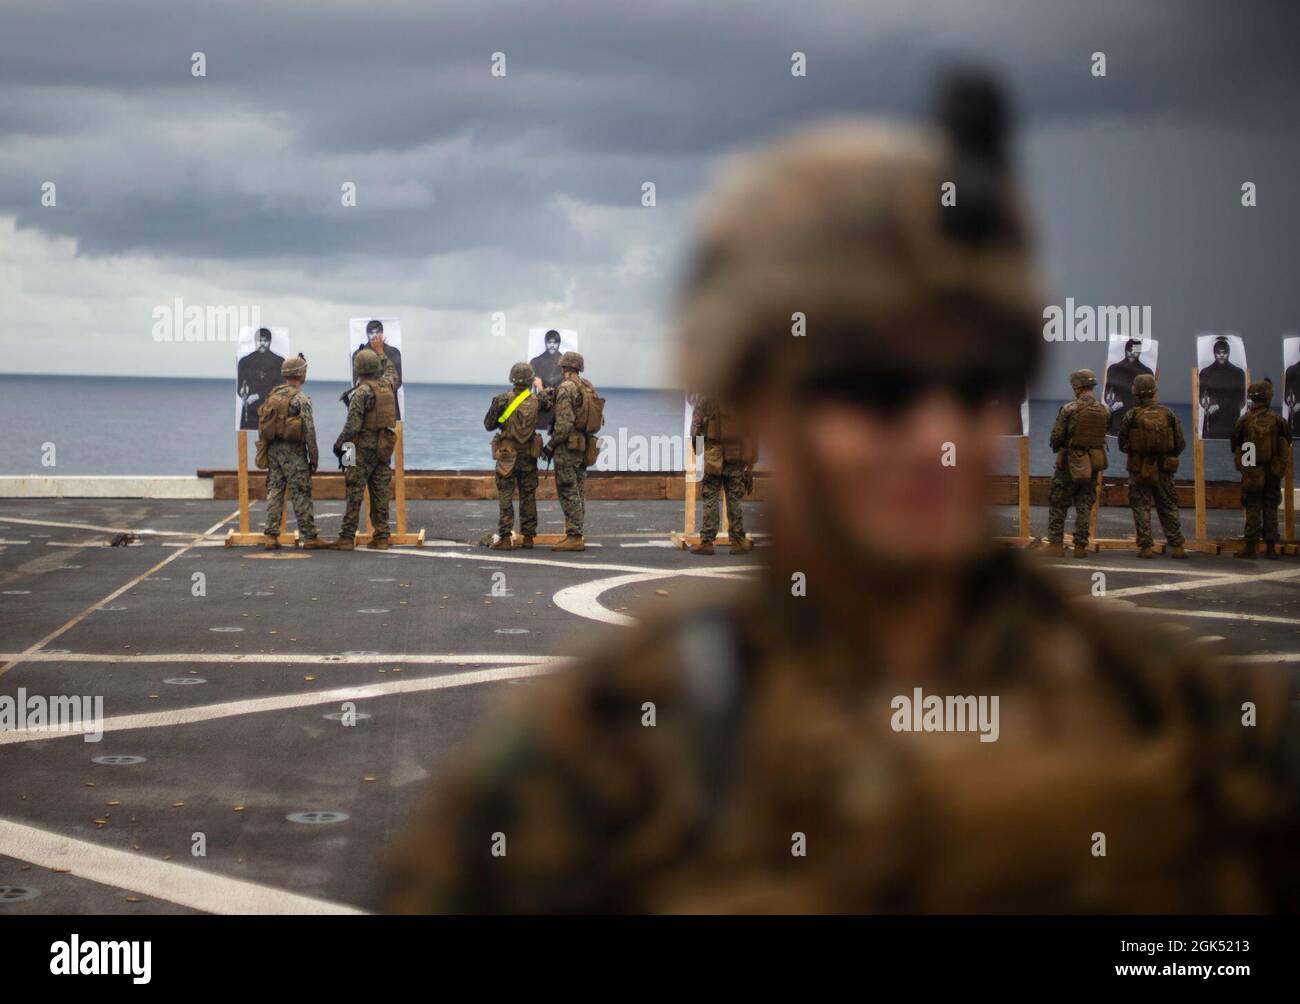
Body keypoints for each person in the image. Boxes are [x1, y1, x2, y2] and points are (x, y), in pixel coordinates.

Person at [385, 71, 1298, 914]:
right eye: (875, 387)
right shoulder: (592, 771)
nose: (938, 431)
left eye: (981, 378)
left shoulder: (1199, 747)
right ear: (755, 395)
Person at [257, 354, 328, 550]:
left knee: (275, 492)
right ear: (301, 374)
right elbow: (309, 431)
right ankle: (310, 537)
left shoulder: (273, 395)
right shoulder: (301, 399)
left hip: (273, 451)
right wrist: (314, 458)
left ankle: (271, 536)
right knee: (301, 493)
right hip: (294, 453)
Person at [333, 347, 398, 550]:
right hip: (383, 447)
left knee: (354, 492)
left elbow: (352, 427)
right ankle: (381, 537)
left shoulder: (360, 393)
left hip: (358, 448)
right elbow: (392, 372)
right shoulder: (386, 385)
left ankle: (346, 537)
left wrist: (338, 446)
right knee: (380, 492)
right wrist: (381, 352)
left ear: (357, 369)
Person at [1116, 373, 1186, 559]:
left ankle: (1146, 547)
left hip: (1139, 468)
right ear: (1154, 391)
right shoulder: (1168, 413)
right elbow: (1180, 443)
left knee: (1141, 506)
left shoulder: (1131, 415)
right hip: (1164, 468)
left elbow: (1122, 444)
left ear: (1136, 393)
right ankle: (1177, 546)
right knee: (1168, 505)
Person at [538, 351, 600, 552]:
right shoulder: (587, 386)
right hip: (583, 445)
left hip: (567, 447)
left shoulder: (566, 388)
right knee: (579, 490)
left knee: (567, 490)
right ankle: (578, 533)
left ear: (564, 368)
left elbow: (564, 425)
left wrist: (550, 445)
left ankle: (574, 536)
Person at [1043, 370, 1109, 557]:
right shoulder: (1104, 409)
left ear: (1076, 386)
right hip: (1093, 463)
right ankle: (1080, 546)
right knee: (1084, 504)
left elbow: (1056, 437)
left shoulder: (1070, 409)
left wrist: (1059, 447)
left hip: (1070, 462)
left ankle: (1055, 545)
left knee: (1058, 502)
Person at [1231, 379, 1292, 559]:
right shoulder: (1278, 420)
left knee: (1253, 507)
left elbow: (1235, 443)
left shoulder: (1244, 420)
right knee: (1271, 507)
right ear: (1268, 397)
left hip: (1251, 469)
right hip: (1272, 470)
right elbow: (1286, 441)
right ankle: (1271, 548)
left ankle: (1251, 547)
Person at [485, 363, 542, 550]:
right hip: (529, 455)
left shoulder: (502, 399)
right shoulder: (537, 401)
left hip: (507, 455)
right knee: (528, 496)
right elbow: (549, 405)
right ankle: (528, 538)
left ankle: (505, 537)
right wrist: (541, 389)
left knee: (505, 496)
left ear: (512, 379)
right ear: (530, 381)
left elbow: (489, 425)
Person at [689, 395, 754, 555]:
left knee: (710, 496)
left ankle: (707, 541)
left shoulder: (707, 395)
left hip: (713, 454)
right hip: (735, 453)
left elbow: (697, 425)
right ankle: (738, 541)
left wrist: (697, 448)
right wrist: (750, 461)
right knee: (734, 498)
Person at [351, 320, 403, 419]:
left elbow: (397, 383)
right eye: (371, 332)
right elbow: (357, 384)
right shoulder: (358, 353)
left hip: (390, 411)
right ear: (367, 334)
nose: (375, 335)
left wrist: (381, 352)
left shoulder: (393, 352)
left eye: (378, 332)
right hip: (368, 412)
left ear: (382, 333)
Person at [1198, 337, 1246, 440]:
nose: (1221, 355)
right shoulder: (1205, 373)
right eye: (1218, 353)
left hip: (1232, 424)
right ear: (1214, 353)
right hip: (1211, 426)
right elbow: (1202, 399)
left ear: (1228, 353)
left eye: (1224, 353)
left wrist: (1219, 404)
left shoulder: (1238, 373)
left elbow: (1241, 402)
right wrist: (1207, 403)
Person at [237, 328, 284, 430]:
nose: (262, 343)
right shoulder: (244, 362)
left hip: (271, 411)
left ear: (270, 341)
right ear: (255, 341)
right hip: (250, 412)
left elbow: (280, 388)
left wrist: (258, 396)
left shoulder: (279, 362)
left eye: (265, 340)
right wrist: (242, 392)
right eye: (259, 340)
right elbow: (240, 386)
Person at [1103, 338, 1153, 433]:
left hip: (1138, 416)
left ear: (1140, 352)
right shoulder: (1114, 369)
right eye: (1130, 351)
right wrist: (1114, 403)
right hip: (1118, 415)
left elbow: (1150, 396)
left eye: (1136, 352)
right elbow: (1107, 393)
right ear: (1125, 350)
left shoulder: (1147, 372)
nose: (1132, 354)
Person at [530, 329, 565, 427]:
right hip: (541, 409)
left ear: (559, 343)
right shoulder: (535, 362)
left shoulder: (565, 364)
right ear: (545, 343)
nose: (552, 345)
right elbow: (528, 391)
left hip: (560, 409)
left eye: (555, 342)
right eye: (549, 342)